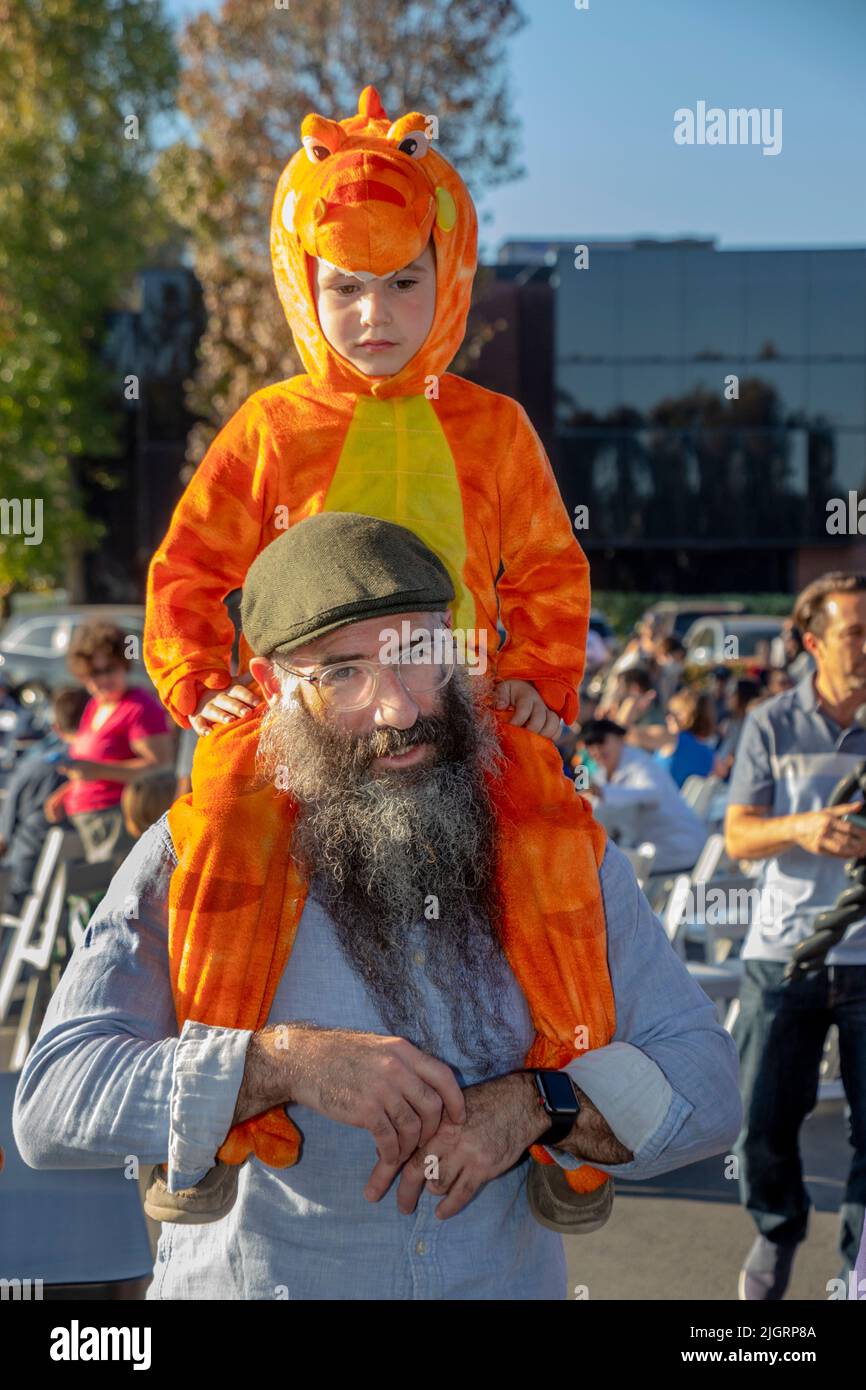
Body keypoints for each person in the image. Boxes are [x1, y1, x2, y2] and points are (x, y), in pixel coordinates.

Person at [14, 515, 742, 1301]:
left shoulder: (557, 848)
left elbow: (710, 1087)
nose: (396, 708)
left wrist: (542, 1102)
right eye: (343, 673)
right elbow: (53, 1102)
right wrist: (279, 1064)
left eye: (417, 657)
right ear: (270, 689)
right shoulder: (197, 854)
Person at [141, 86, 617, 1209]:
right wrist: (199, 685)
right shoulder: (267, 426)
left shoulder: (494, 427)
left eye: (402, 280)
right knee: (218, 822)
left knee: (555, 829)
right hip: (302, 725)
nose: (373, 313)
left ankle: (566, 1109)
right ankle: (222, 1111)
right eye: (345, 286)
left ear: (447, 276)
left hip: (462, 720)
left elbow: (549, 569)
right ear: (303, 288)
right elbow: (188, 569)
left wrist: (542, 693)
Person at [724, 571, 866, 1300]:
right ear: (814, 643)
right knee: (764, 1125)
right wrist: (806, 827)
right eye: (855, 633)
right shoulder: (773, 721)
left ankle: (858, 1269)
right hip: (783, 953)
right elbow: (739, 835)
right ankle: (777, 1234)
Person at [52, 622, 175, 864]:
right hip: (90, 823)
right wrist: (65, 793)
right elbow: (93, 766)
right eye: (94, 673)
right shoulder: (96, 705)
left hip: (120, 823)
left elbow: (160, 768)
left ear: (123, 664)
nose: (103, 679)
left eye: (110, 668)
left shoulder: (139, 707)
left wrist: (96, 771)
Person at [0, 686, 89, 920]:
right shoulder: (106, 770)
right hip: (71, 894)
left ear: (56, 728)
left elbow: (6, 831)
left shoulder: (37, 767)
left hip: (25, 885)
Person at [579, 717, 708, 874]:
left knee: (610, 872)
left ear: (620, 739)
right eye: (590, 746)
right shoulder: (601, 775)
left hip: (680, 847)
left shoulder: (640, 763)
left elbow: (653, 795)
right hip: (654, 851)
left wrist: (601, 792)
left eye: (601, 742)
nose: (596, 751)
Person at [629, 689, 717, 789]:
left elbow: (623, 734)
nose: (669, 717)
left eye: (676, 713)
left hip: (658, 801)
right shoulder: (710, 753)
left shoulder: (671, 739)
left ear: (690, 716)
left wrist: (632, 703)